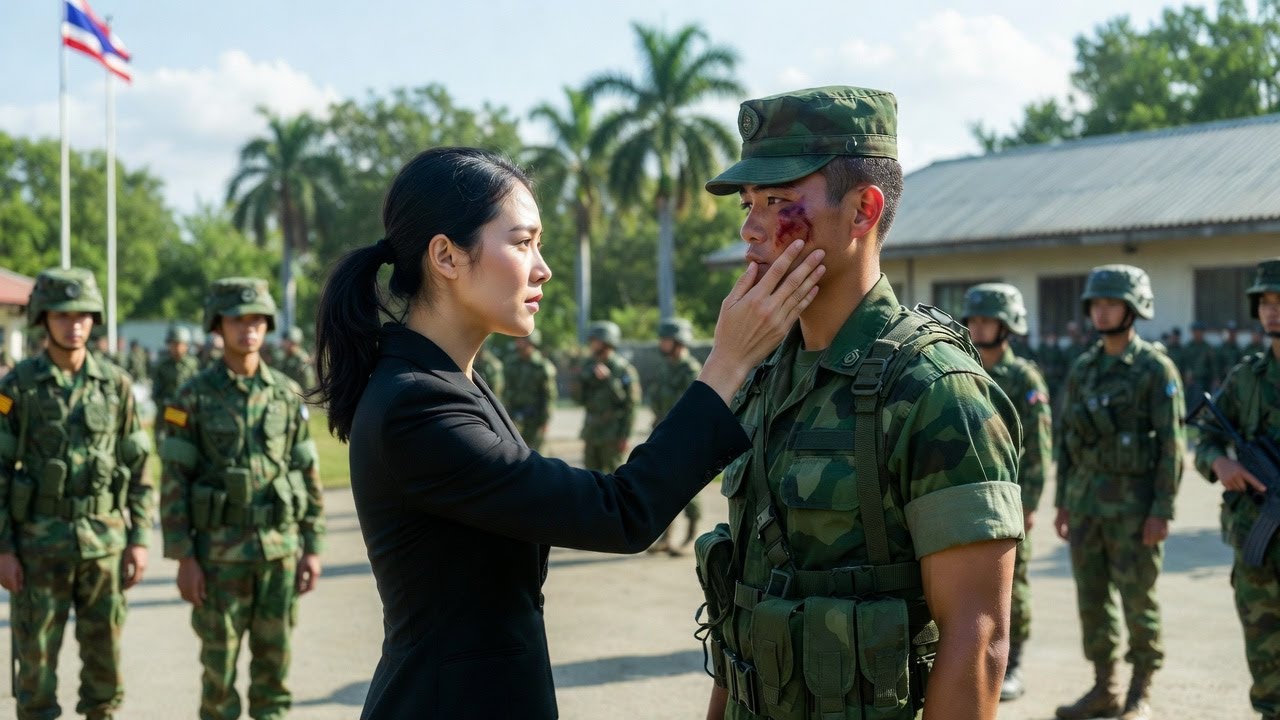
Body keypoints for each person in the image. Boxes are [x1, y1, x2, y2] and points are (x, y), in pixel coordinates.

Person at [308, 147, 823, 719]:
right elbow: (621, 512)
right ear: (446, 256)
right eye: (523, 242)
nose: (542, 267)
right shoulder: (418, 404)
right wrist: (726, 363)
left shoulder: (444, 382)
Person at [697, 86, 1023, 720]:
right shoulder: (766, 372)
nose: (751, 228)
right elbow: (748, 606)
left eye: (777, 202)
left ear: (863, 210)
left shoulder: (936, 390)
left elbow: (977, 638)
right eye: (747, 204)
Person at [158, 277, 325, 720]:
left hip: (279, 554)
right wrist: (184, 557)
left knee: (274, 676)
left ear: (267, 325)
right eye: (236, 320)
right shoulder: (190, 397)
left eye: (256, 320)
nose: (247, 329)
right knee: (219, 678)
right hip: (218, 560)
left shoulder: (287, 395)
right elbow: (174, 480)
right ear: (218, 326)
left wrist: (313, 546)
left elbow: (305, 472)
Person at [0, 267, 152, 720]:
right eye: (63, 314)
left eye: (84, 313)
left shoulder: (117, 385)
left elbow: (138, 467)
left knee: (104, 678)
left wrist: (140, 538)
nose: (75, 323)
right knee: (36, 677)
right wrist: (3, 547)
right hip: (37, 550)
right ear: (43, 318)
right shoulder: (15, 388)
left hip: (104, 547)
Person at [1054, 265, 1185, 720]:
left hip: (1135, 510)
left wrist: (1162, 509)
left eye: (1111, 304)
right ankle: (1104, 687)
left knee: (1138, 601)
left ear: (1133, 309)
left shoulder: (1154, 368)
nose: (1101, 312)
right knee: (1092, 601)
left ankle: (1139, 691)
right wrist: (1064, 501)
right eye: (1096, 304)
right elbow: (1067, 437)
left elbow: (1172, 445)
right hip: (1087, 504)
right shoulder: (1084, 368)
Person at [1194, 258, 1280, 720]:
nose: (1273, 311)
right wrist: (1220, 460)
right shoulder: (1246, 378)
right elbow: (1205, 435)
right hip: (1257, 540)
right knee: (1266, 656)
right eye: (1266, 301)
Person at [961, 283, 1053, 702]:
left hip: (1009, 498)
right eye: (975, 319)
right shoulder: (963, 367)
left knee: (1012, 584)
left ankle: (1012, 665)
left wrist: (1029, 503)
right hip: (965, 494)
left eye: (988, 320)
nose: (979, 327)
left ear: (1008, 325)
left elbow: (1039, 446)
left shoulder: (1023, 378)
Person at [647, 317, 703, 556]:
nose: (662, 343)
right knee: (663, 485)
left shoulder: (690, 370)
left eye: (666, 339)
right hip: (664, 433)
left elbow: (696, 407)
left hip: (686, 437)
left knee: (687, 488)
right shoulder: (664, 368)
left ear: (678, 341)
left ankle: (691, 535)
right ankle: (666, 536)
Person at [574, 321, 640, 472]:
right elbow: (578, 399)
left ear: (607, 342)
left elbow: (630, 405)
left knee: (613, 476)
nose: (591, 345)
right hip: (592, 432)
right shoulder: (588, 365)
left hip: (612, 434)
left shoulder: (623, 369)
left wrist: (625, 436)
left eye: (595, 341)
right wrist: (581, 379)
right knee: (590, 477)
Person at [503, 329, 557, 453]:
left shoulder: (543, 366)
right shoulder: (512, 363)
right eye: (517, 339)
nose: (518, 342)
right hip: (515, 417)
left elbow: (549, 397)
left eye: (522, 340)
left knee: (537, 455)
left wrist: (545, 421)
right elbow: (506, 390)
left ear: (531, 342)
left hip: (535, 419)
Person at [151, 325, 200, 441]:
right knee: (164, 442)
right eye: (173, 344)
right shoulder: (162, 366)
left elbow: (198, 389)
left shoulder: (193, 365)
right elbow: (156, 392)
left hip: (188, 412)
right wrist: (166, 403)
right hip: (167, 411)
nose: (177, 348)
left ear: (186, 346)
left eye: (180, 344)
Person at [1183, 320, 1218, 399]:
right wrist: (1186, 375)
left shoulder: (1208, 347)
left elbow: (1213, 365)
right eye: (1196, 331)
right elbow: (1185, 363)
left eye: (1200, 331)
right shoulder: (1188, 347)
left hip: (1205, 381)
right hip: (1191, 382)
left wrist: (1215, 379)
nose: (1198, 334)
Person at [277, 326, 317, 392]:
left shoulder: (302, 361)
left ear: (293, 343)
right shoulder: (286, 357)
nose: (283, 343)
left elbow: (309, 387)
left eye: (286, 341)